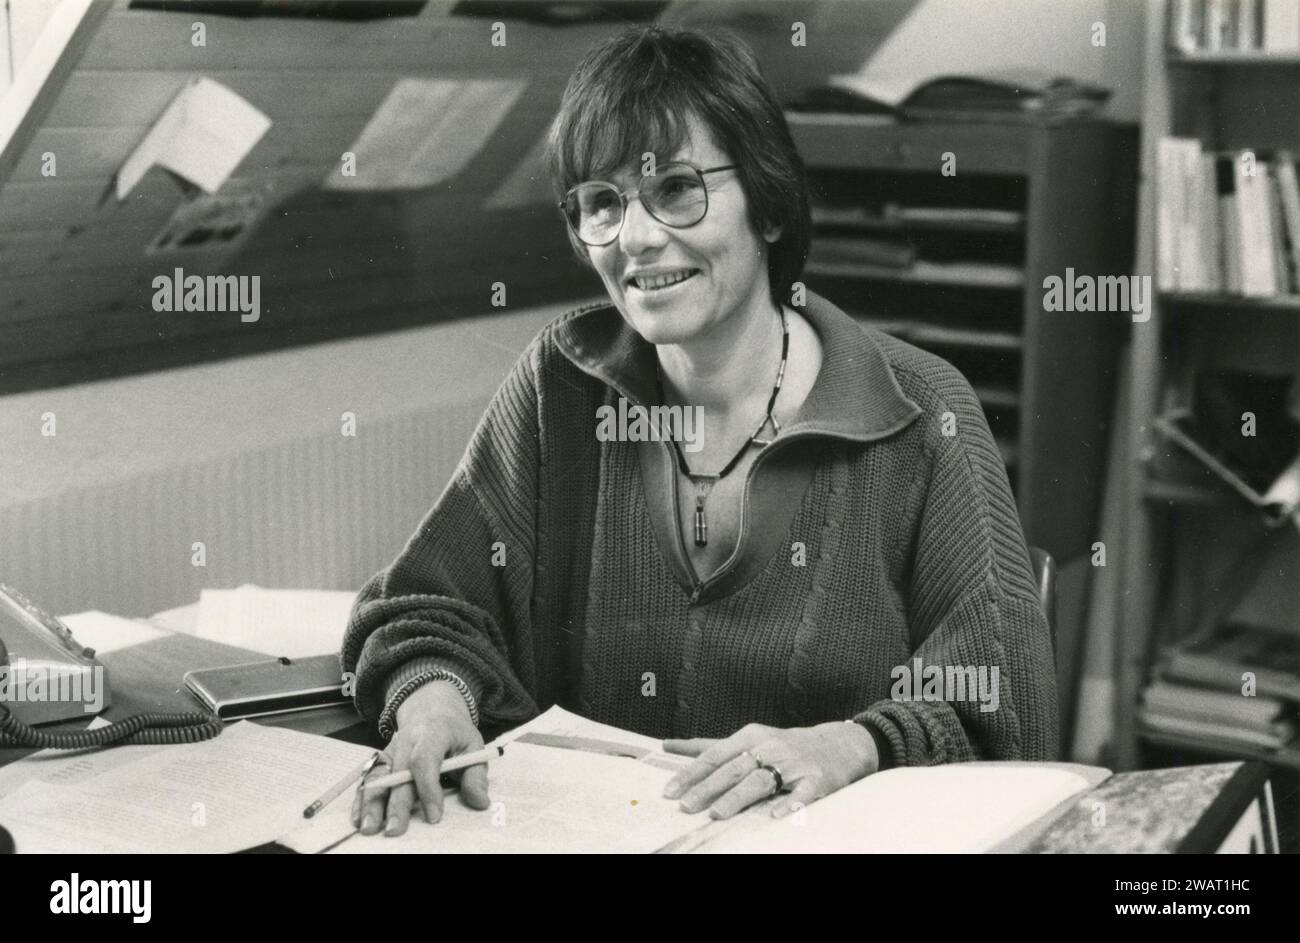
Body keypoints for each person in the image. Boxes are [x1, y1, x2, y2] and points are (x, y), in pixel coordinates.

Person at [341, 25, 1058, 839]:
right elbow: (424, 606)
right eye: (602, 204)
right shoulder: (560, 386)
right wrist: (435, 698)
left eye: (677, 188)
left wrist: (855, 743)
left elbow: (1008, 711)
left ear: (770, 202)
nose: (638, 238)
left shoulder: (924, 412)